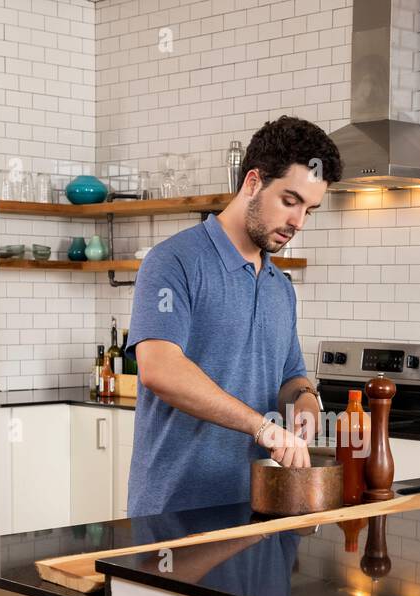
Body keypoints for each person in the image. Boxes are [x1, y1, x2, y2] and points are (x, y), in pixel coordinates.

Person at [124, 115, 342, 517]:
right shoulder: (173, 262)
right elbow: (160, 369)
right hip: (175, 514)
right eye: (290, 201)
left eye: (309, 210)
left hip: (261, 506)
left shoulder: (279, 286)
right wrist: (261, 426)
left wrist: (305, 404)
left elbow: (290, 377)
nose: (297, 222)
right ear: (253, 182)